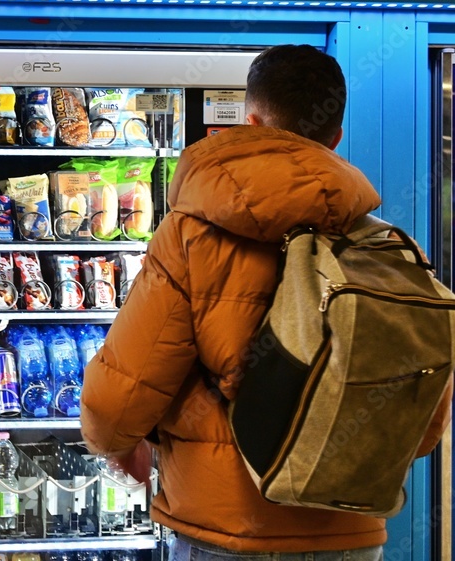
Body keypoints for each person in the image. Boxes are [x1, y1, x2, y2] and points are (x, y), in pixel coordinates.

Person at [79, 44, 453, 558]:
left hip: (226, 527)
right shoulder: (384, 244)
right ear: (335, 138)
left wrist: (118, 446)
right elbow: (425, 415)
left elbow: (119, 397)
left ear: (251, 120)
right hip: (349, 528)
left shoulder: (192, 233)